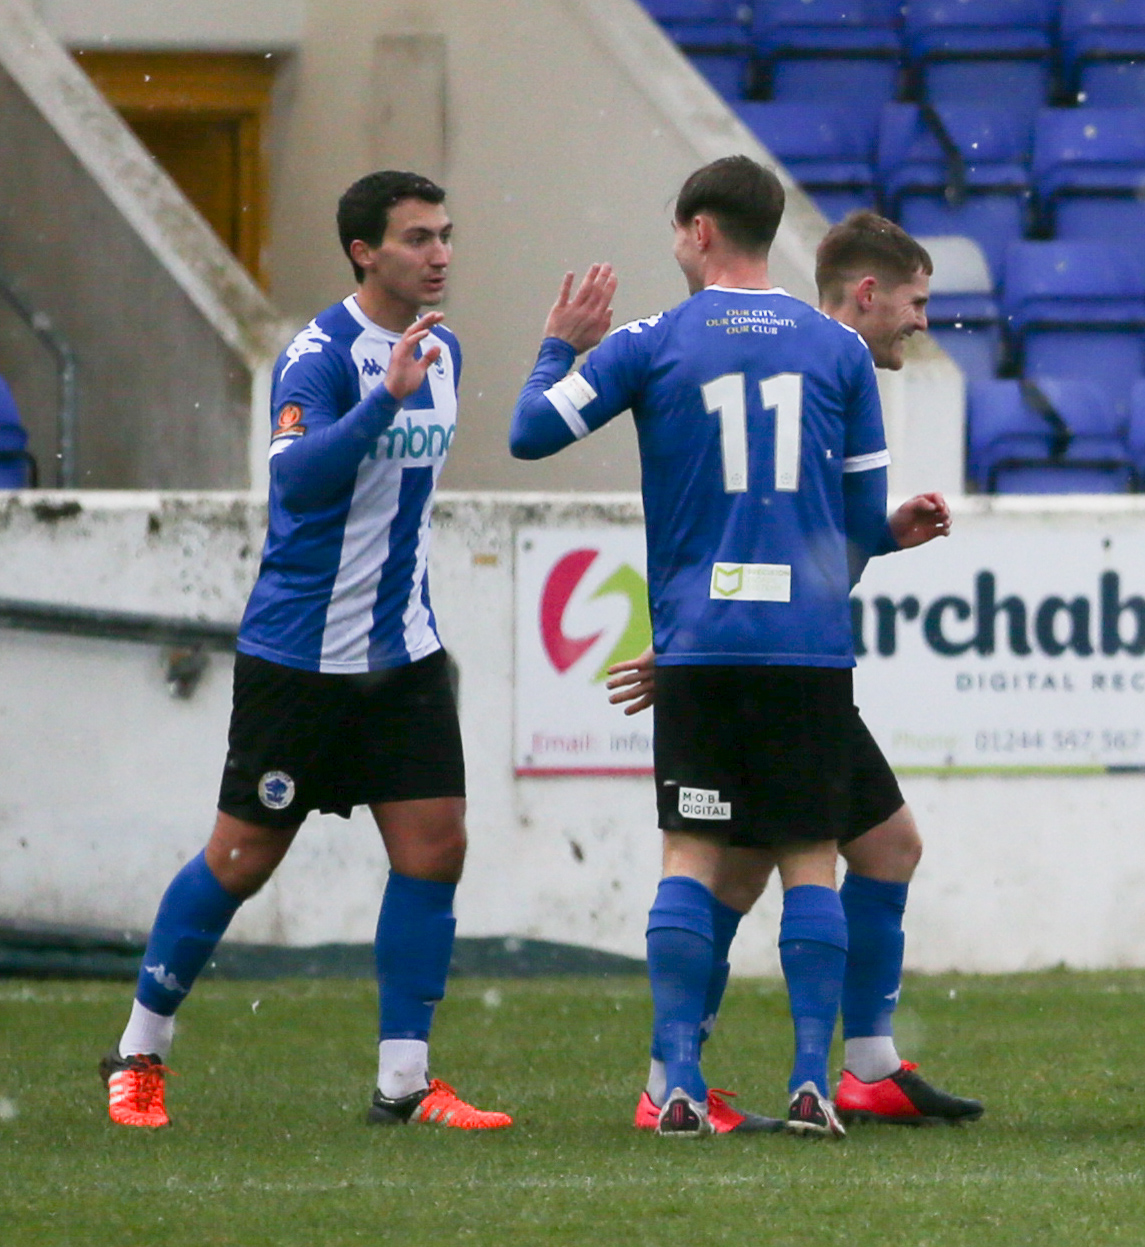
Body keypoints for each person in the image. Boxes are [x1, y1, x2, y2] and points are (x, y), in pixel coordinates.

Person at [100, 170, 548, 1130]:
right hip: (300, 657)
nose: (441, 254)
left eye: (446, 235)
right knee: (241, 857)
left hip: (404, 654)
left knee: (436, 847)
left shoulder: (449, 349)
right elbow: (297, 485)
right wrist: (382, 400)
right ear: (364, 251)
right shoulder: (317, 357)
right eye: (419, 238)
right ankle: (139, 1049)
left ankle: (404, 1080)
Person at [507, 158, 946, 1138]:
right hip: (805, 649)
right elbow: (851, 521)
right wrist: (880, 534)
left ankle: (674, 1079)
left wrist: (555, 346)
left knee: (691, 855)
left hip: (701, 643)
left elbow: (529, 433)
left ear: (699, 231)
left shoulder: (651, 341)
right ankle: (810, 1079)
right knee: (809, 858)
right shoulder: (833, 348)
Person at [605, 211, 983, 1131]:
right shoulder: (824, 364)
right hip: (790, 660)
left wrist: (876, 540)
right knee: (756, 868)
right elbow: (789, 536)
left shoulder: (791, 362)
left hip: (758, 646)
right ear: (866, 294)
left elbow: (799, 543)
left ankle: (851, 1064)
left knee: (870, 847)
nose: (919, 323)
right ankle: (693, 1072)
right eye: (914, 302)